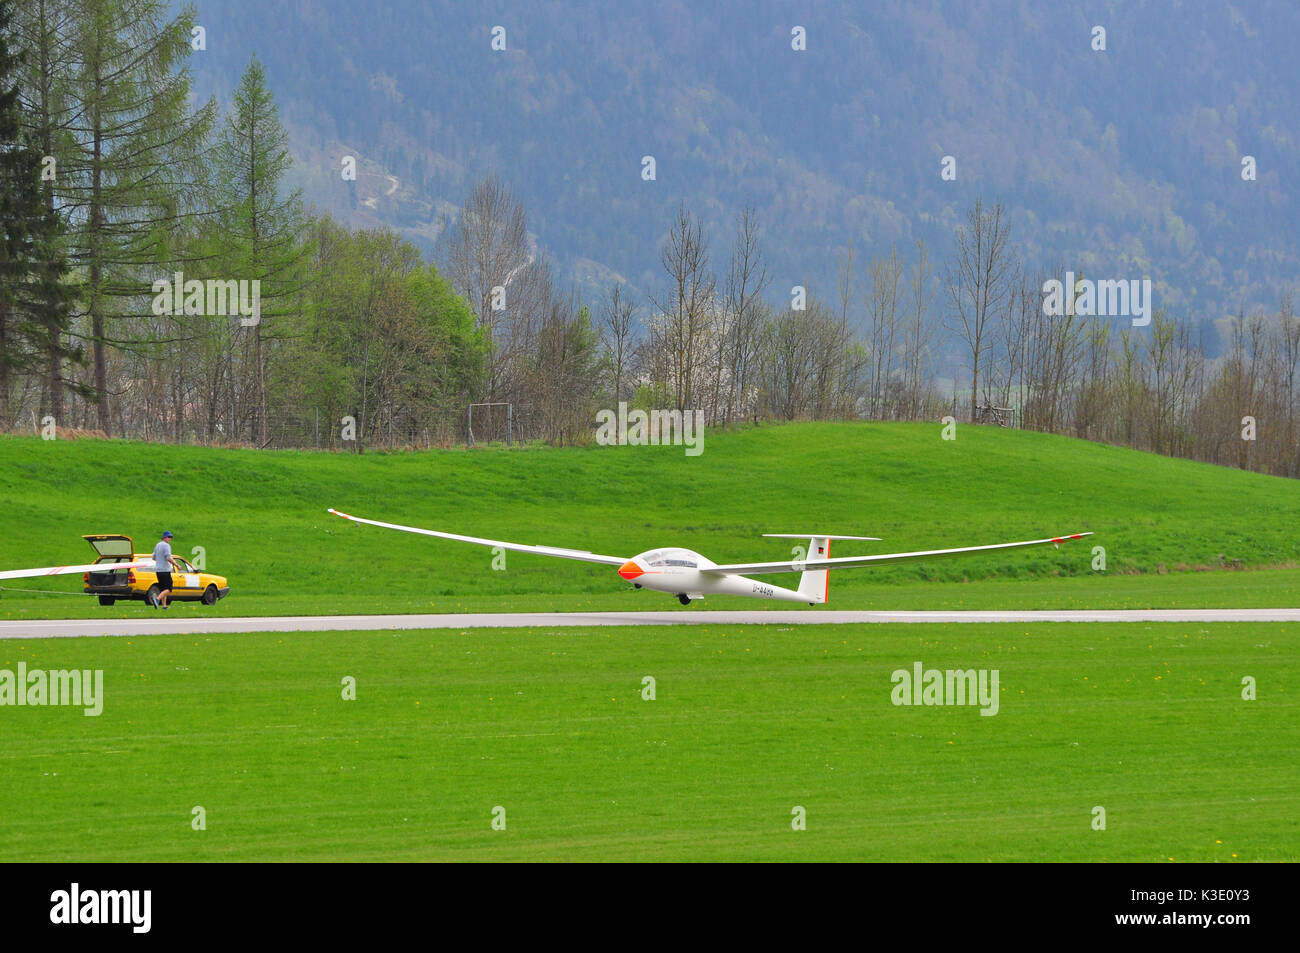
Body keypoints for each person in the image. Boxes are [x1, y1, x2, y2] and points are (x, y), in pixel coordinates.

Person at [151, 531, 175, 609]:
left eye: (171, 537)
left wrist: (160, 560)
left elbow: (153, 557)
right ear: (164, 537)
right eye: (169, 537)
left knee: (163, 589)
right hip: (165, 570)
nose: (170, 539)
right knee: (169, 588)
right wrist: (176, 564)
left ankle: (164, 606)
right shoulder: (166, 546)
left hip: (158, 571)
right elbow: (168, 557)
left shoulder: (157, 545)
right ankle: (157, 599)